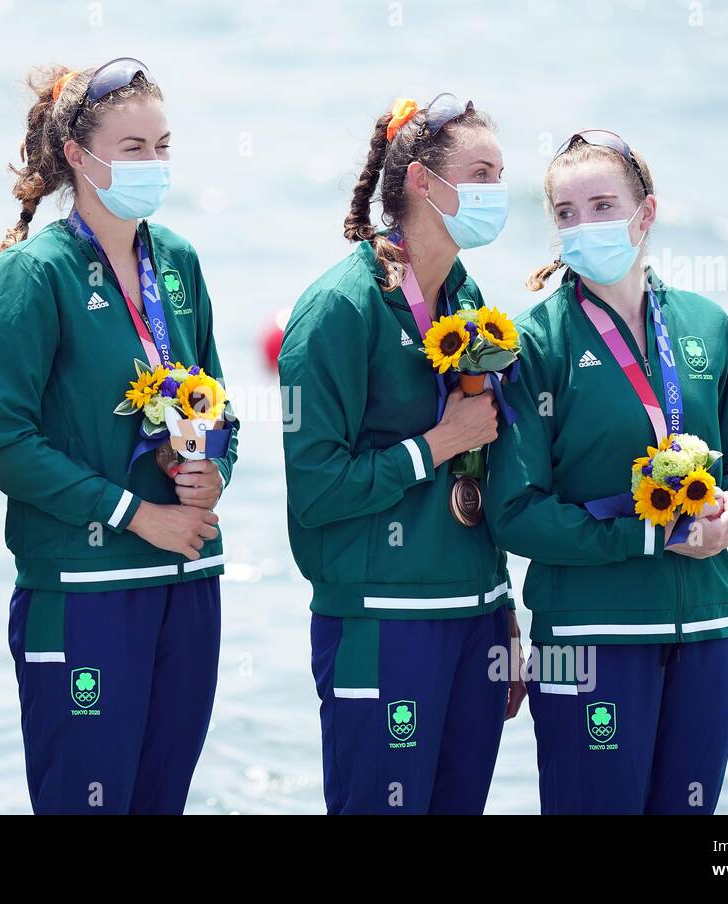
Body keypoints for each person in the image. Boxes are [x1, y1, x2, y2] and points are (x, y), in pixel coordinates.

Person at [0, 59, 235, 814]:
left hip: (188, 582)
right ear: (78, 159)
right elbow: (1, 440)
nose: (155, 164)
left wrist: (215, 472)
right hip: (87, 591)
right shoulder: (30, 274)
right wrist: (135, 514)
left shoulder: (177, 260)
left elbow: (223, 406)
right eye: (133, 148)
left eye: (162, 145)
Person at [484, 129, 728, 814]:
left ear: (646, 214)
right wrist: (647, 537)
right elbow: (515, 513)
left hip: (704, 627)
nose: (584, 226)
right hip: (585, 638)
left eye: (603, 206)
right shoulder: (533, 342)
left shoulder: (707, 326)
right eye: (566, 213)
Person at [279, 95, 524, 815]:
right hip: (383, 621)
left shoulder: (466, 293)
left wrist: (502, 608)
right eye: (481, 173)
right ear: (421, 181)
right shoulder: (338, 309)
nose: (497, 193)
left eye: (501, 174)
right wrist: (436, 444)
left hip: (473, 618)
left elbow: (479, 471)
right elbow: (317, 489)